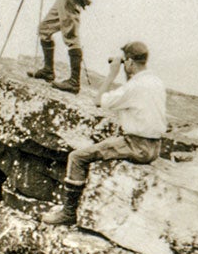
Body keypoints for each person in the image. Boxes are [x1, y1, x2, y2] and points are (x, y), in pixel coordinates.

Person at [42, 41, 168, 226]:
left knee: (77, 157)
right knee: (107, 142)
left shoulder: (134, 87)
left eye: (126, 62)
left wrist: (112, 74)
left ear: (130, 63)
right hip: (154, 146)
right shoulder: (155, 81)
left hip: (137, 146)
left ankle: (68, 213)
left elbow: (98, 100)